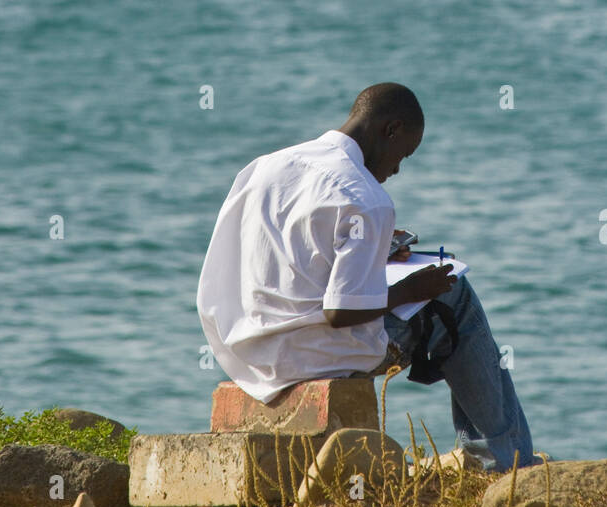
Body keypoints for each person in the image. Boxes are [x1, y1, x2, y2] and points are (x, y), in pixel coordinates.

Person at [196, 82, 539, 472]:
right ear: (390, 130)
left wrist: (379, 249)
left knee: (432, 298)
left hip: (244, 346)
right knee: (453, 297)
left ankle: (493, 454)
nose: (396, 169)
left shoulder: (267, 167)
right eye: (402, 154)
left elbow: (292, 256)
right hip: (311, 355)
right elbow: (341, 311)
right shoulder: (365, 197)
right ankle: (502, 460)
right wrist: (412, 289)